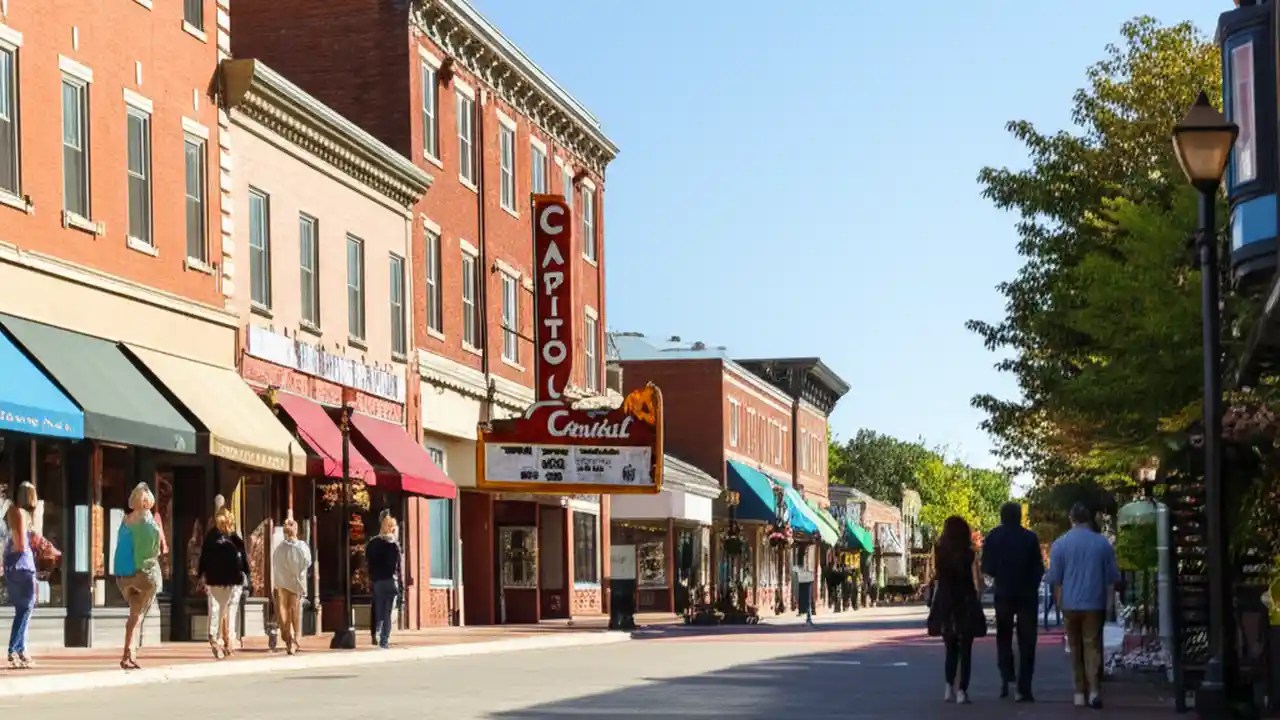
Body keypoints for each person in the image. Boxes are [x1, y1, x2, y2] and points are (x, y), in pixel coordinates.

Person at [1046, 503, 1120, 710]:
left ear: (1071, 519)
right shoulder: (1102, 543)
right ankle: (1094, 690)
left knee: (1075, 647)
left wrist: (1059, 603)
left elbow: (1055, 579)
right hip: (1094, 602)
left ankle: (1079, 691)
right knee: (1092, 646)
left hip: (1069, 602)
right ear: (1088, 519)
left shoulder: (1060, 544)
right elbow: (1112, 576)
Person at [982, 502, 1044, 702]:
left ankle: (1006, 675)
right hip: (1026, 594)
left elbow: (987, 567)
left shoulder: (993, 537)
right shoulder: (1030, 538)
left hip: (1004, 592)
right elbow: (1038, 568)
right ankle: (1024, 686)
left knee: (1004, 637)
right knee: (1027, 640)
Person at [927, 516, 986, 704]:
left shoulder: (939, 551)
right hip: (965, 601)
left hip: (945, 602)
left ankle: (947, 688)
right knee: (966, 649)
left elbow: (933, 577)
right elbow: (978, 582)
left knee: (950, 647)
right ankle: (962, 691)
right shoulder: (970, 554)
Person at [114, 483, 167, 669]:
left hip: (124, 576)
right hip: (144, 575)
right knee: (140, 613)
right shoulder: (149, 522)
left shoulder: (125, 520)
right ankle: (131, 652)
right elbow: (155, 551)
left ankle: (128, 652)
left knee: (134, 613)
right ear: (148, 502)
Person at [199, 506, 249, 659]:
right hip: (229, 579)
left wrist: (202, 575)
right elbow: (243, 560)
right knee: (228, 610)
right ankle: (227, 641)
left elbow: (204, 558)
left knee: (217, 609)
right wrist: (247, 575)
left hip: (219, 580)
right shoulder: (234, 538)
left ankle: (218, 639)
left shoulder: (211, 537)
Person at [4, 482, 37, 669]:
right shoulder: (20, 513)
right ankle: (14, 649)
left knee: (22, 609)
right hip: (23, 565)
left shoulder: (12, 512)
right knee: (25, 609)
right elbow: (21, 544)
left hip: (12, 564)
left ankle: (21, 649)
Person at [271, 515, 312, 656]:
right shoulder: (280, 548)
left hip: (295, 584)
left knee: (294, 612)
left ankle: (293, 639)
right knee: (283, 614)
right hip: (283, 583)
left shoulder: (301, 546)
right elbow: (276, 564)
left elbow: (306, 562)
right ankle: (288, 638)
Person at [366, 513, 402, 649]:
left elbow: (368, 562)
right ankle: (384, 640)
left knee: (378, 609)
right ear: (393, 529)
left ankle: (376, 632)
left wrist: (371, 577)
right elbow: (399, 567)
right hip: (391, 581)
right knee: (387, 613)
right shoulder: (394, 546)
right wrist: (402, 585)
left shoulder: (373, 543)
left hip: (378, 581)